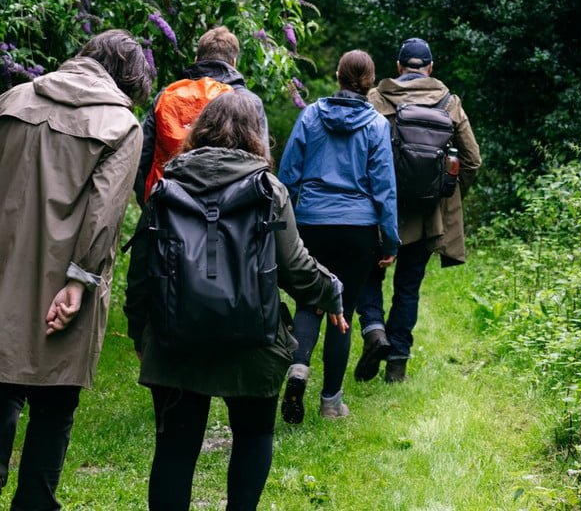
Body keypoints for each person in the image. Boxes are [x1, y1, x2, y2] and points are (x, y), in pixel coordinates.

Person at [124, 92, 345, 510]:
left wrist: (140, 332)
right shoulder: (269, 190)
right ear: (255, 134)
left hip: (176, 339)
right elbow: (296, 266)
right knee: (254, 436)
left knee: (174, 448)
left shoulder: (166, 186)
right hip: (252, 338)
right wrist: (330, 292)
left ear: (201, 129)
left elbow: (141, 272)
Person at [0, 29, 152, 509]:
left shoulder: (13, 99)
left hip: (4, 268)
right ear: (129, 77)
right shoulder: (122, 125)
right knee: (55, 403)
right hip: (63, 280)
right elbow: (104, 213)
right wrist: (80, 280)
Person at [278, 49, 399, 422]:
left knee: (309, 301)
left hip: (312, 223)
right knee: (341, 308)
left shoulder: (310, 115)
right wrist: (390, 240)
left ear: (337, 76)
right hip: (358, 231)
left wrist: (284, 226)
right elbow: (384, 188)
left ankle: (299, 368)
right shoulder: (377, 125)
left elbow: (287, 176)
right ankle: (331, 403)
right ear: (370, 82)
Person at [355, 37, 482, 383]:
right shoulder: (449, 102)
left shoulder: (376, 99)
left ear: (398, 67)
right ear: (430, 68)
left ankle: (374, 329)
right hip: (427, 214)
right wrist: (445, 194)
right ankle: (397, 363)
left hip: (378, 210)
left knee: (369, 275)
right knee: (408, 287)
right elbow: (472, 160)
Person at [134, 25, 268, 206]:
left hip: (168, 201)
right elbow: (260, 163)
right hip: (228, 207)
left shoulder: (167, 95)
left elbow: (143, 158)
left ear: (196, 59)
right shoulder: (248, 101)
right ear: (234, 62)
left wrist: (149, 202)